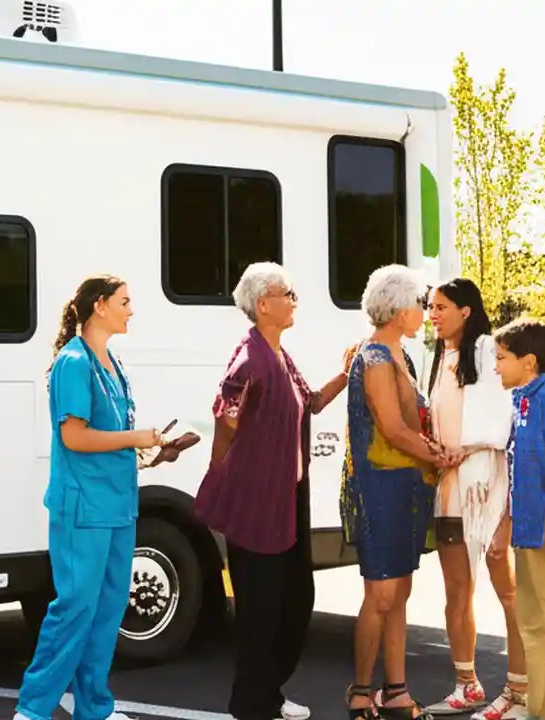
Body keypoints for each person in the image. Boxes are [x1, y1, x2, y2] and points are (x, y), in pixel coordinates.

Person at [193, 262, 353, 720]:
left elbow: (312, 402)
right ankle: (252, 704)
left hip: (288, 499)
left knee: (295, 599)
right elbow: (227, 415)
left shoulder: (279, 354)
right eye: (289, 294)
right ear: (264, 304)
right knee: (260, 611)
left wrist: (344, 375)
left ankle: (269, 692)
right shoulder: (251, 357)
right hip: (258, 501)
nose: (294, 301)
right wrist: (219, 473)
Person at [14, 275, 177, 720]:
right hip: (83, 507)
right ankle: (32, 709)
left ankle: (94, 709)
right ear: (100, 306)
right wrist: (135, 435)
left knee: (107, 611)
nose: (131, 310)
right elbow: (74, 437)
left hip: (118, 505)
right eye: (125, 302)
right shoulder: (74, 362)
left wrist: (148, 450)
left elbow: (108, 438)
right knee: (74, 609)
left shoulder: (113, 362)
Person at [341, 264, 454, 720]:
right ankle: (360, 692)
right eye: (419, 305)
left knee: (400, 591)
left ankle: (396, 690)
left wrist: (428, 453)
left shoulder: (399, 356)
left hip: (404, 485)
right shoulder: (373, 358)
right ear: (397, 308)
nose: (424, 313)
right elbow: (390, 427)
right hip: (379, 487)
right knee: (380, 594)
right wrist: (435, 454)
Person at [422, 279, 527, 720]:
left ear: (466, 311)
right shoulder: (437, 356)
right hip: (449, 486)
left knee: (509, 590)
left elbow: (508, 418)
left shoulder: (489, 351)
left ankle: (520, 688)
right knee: (456, 590)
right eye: (430, 307)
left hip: (489, 483)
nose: (433, 314)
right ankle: (466, 685)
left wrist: (473, 448)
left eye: (441, 307)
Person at [493, 318, 545, 720]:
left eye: (503, 358)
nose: (497, 366)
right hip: (527, 525)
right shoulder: (522, 397)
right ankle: (540, 707)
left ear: (530, 361)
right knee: (534, 620)